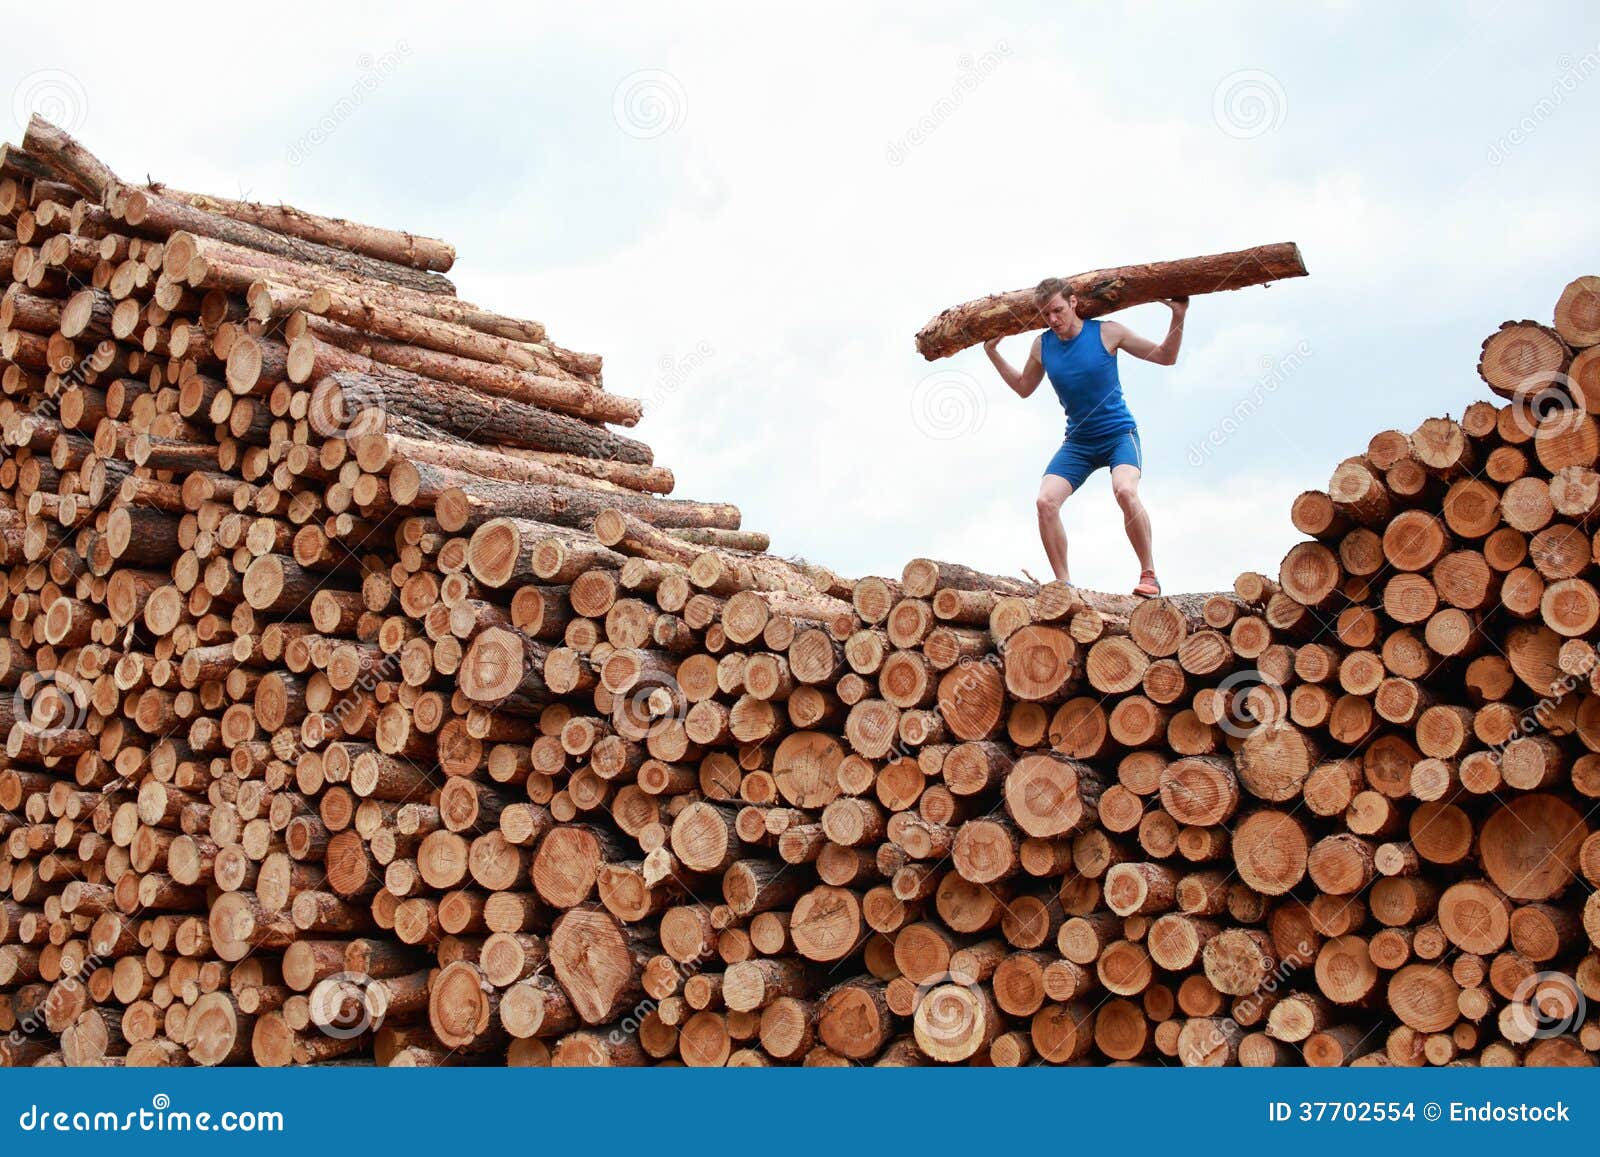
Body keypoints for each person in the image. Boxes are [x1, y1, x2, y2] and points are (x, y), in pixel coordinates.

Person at [983, 279, 1188, 597]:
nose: (1053, 319)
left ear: (1074, 302)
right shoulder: (1042, 346)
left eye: (1058, 310)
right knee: (1045, 502)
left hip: (1119, 434)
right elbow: (1024, 387)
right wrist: (992, 352)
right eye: (1046, 314)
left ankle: (1149, 575)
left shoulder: (1108, 332)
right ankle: (1064, 585)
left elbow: (1165, 356)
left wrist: (1178, 315)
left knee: (1125, 491)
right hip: (1078, 442)